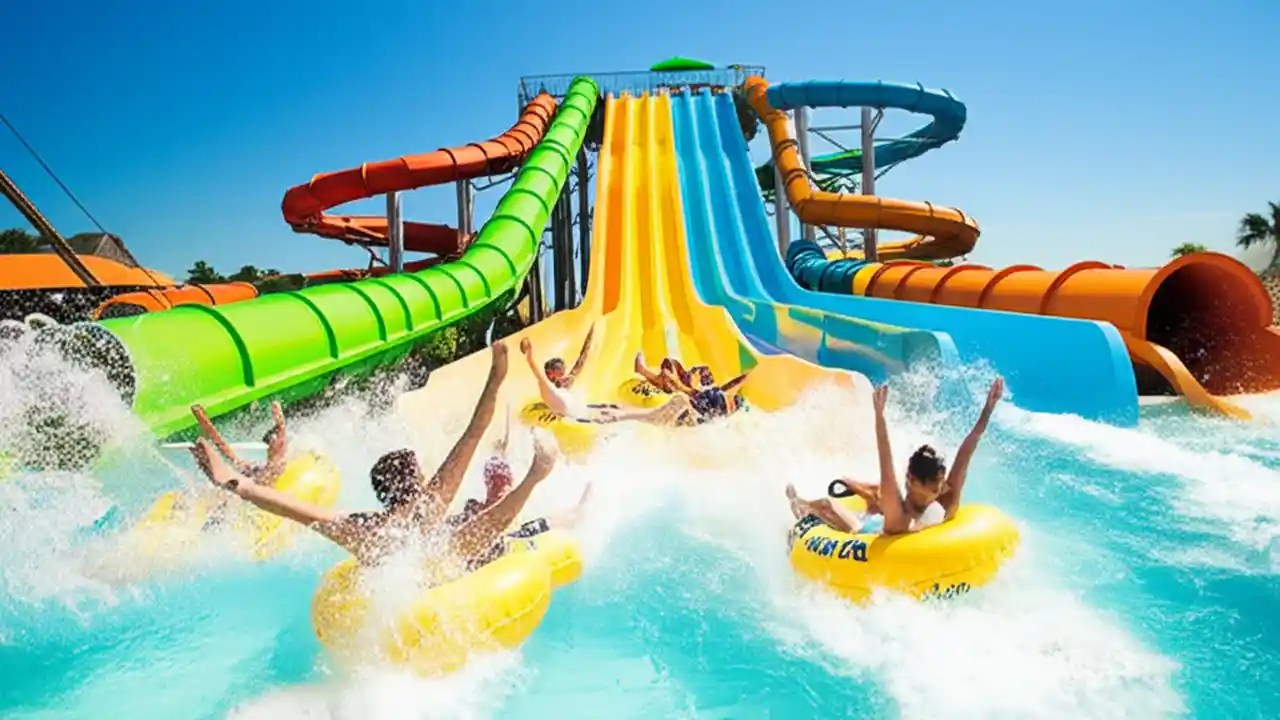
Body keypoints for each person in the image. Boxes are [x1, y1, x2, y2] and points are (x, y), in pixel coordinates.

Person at [188, 342, 562, 569]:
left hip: (403, 579)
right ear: (415, 481)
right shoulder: (430, 503)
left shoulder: (364, 529)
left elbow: (288, 507)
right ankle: (532, 479)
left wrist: (228, 480)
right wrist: (495, 379)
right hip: (443, 568)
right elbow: (473, 432)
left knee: (457, 535)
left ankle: (530, 481)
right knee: (459, 541)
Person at [787, 377, 1004, 536]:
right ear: (911, 480)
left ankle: (859, 490)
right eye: (933, 488)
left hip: (898, 527)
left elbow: (966, 453)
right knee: (827, 505)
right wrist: (879, 418)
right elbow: (886, 464)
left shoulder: (946, 498)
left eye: (940, 485)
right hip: (868, 534)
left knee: (874, 499)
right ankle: (796, 504)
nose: (941, 491)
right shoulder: (898, 515)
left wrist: (988, 410)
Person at [520, 336, 690, 425]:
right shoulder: (548, 389)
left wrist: (589, 341)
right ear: (551, 374)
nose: (565, 376)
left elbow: (578, 366)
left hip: (587, 410)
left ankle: (661, 414)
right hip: (583, 419)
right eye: (561, 373)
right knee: (618, 414)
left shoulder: (561, 388)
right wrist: (529, 354)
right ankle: (657, 416)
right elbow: (535, 371)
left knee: (616, 407)